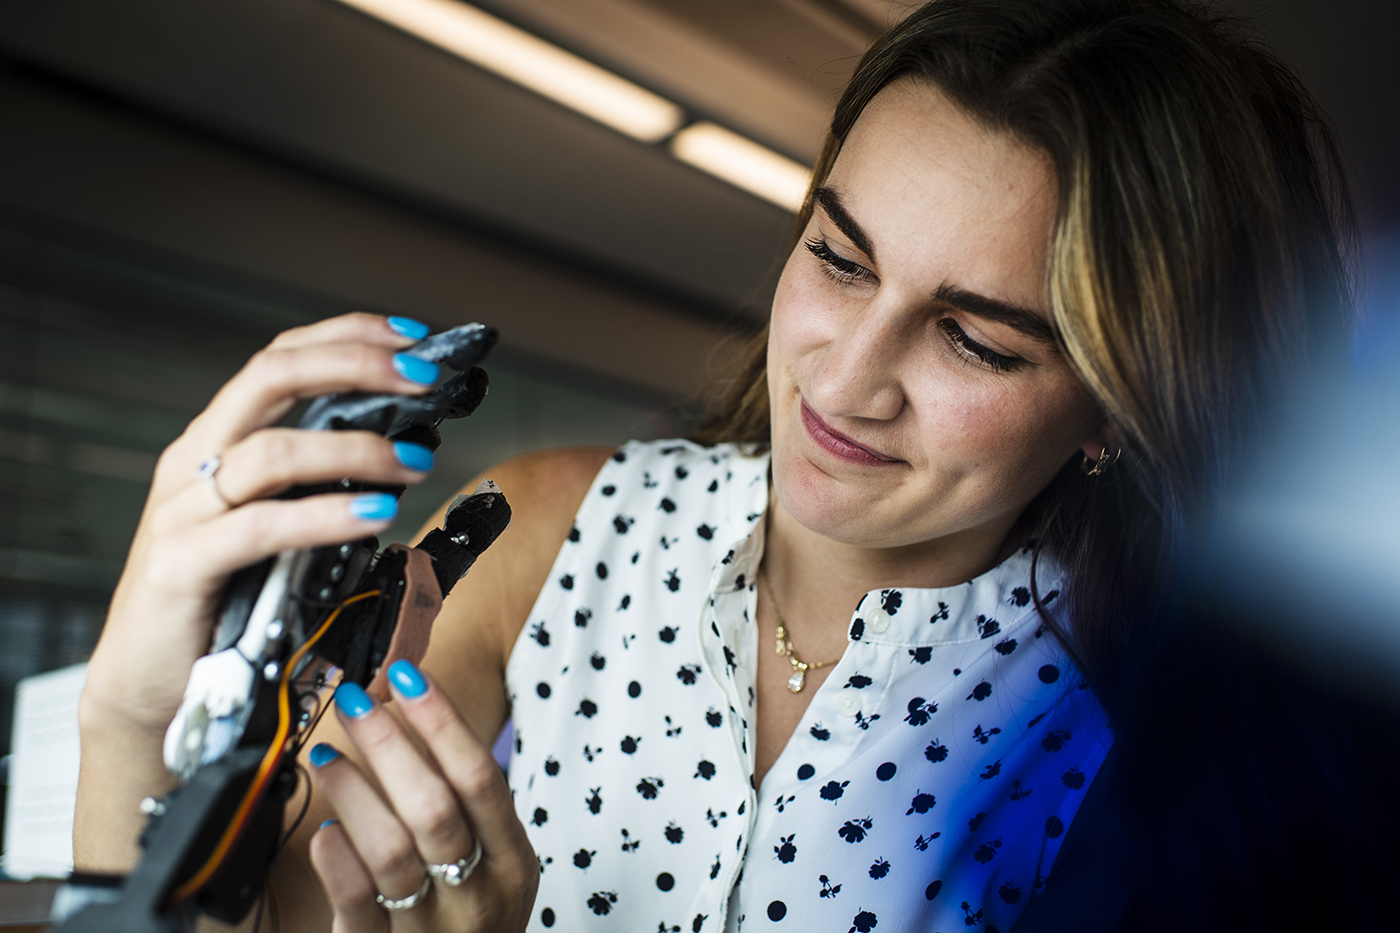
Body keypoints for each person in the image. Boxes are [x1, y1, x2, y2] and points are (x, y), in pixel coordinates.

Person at [72, 0, 1355, 930]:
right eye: (838, 260)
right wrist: (131, 713)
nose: (843, 379)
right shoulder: (537, 535)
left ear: (1114, 409)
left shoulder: (1173, 741)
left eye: (972, 339)